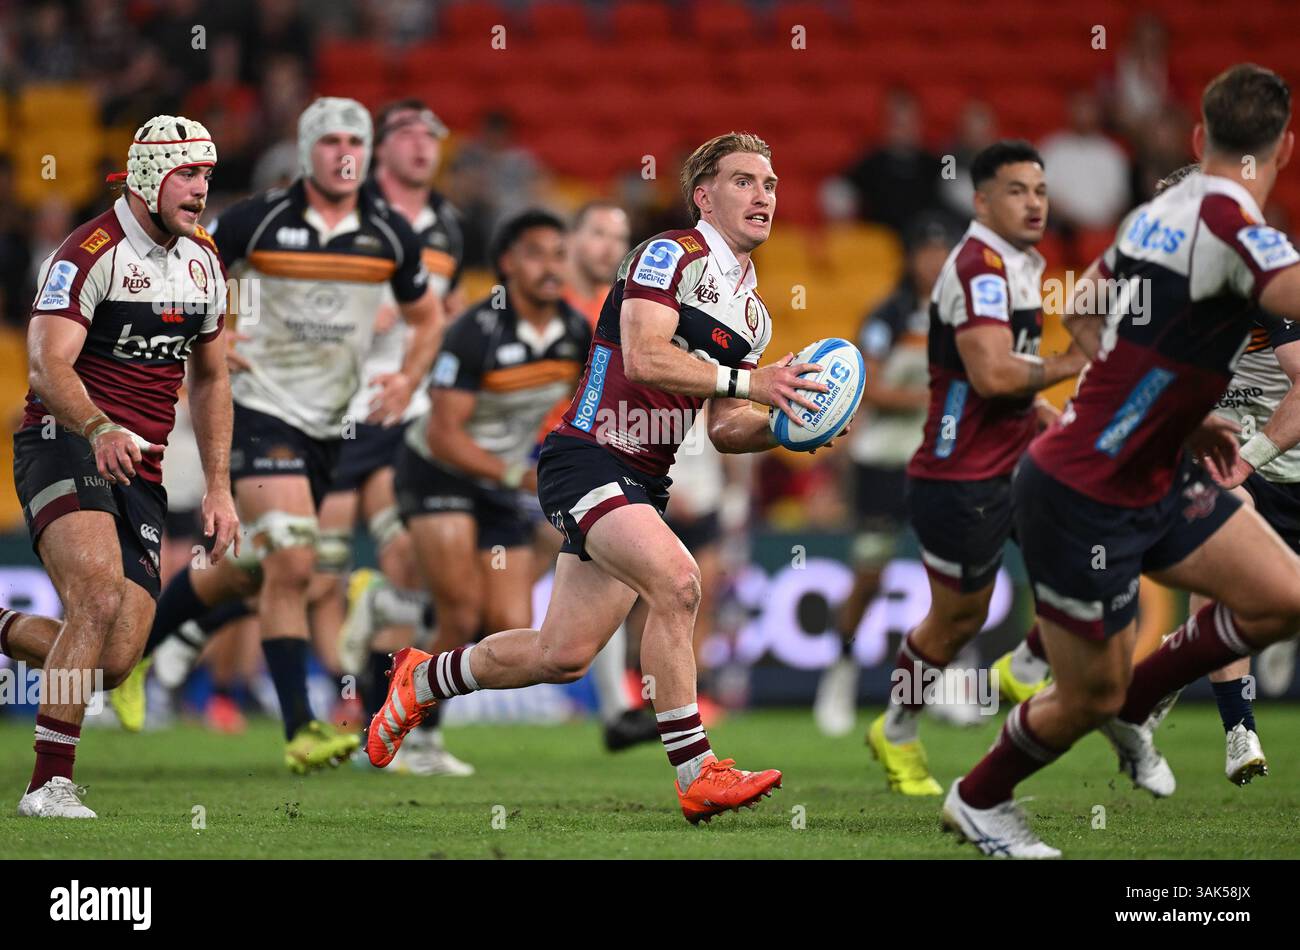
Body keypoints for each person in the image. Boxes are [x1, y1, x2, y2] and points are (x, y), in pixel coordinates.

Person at [367, 132, 829, 823]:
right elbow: (643, 357)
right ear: (704, 196)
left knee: (562, 655)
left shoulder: (753, 312)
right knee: (679, 583)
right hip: (586, 457)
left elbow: (727, 427)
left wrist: (793, 425)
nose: (762, 194)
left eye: (769, 183)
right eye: (743, 181)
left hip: (644, 479)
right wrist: (755, 380)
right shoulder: (669, 254)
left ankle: (422, 678)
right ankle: (699, 772)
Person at [942, 64, 1300, 858]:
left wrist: (1174, 412)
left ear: (1201, 137)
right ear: (1287, 145)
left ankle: (1137, 705)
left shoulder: (1155, 213)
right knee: (1086, 693)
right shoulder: (1232, 221)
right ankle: (978, 798)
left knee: (1282, 597)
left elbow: (1085, 311)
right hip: (1081, 488)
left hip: (1157, 468)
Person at [139, 97, 444, 773]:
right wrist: (218, 332)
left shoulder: (389, 232)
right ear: (307, 150)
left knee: (253, 570)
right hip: (258, 411)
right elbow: (181, 263)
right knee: (298, 563)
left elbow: (429, 317)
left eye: (356, 141)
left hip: (330, 427)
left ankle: (135, 653)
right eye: (330, 138)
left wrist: (407, 378)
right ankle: (301, 727)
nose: (344, 152)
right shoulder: (258, 218)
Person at [0, 116, 236, 817]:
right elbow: (46, 365)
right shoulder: (87, 252)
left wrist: (220, 486)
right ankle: (48, 785)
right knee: (96, 598)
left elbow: (213, 380)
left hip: (143, 467)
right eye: (186, 175)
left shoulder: (204, 263)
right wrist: (99, 425)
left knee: (112, 658)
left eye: (205, 176)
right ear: (146, 176)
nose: (199, 190)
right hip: (64, 440)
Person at [866, 141, 1085, 796]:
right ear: (982, 201)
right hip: (958, 478)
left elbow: (1009, 378)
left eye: (1040, 191)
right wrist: (1072, 364)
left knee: (1092, 550)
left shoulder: (1022, 265)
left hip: (1017, 460)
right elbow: (991, 376)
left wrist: (1049, 415)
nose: (1034, 203)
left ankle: (1023, 667)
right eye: (1016, 190)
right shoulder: (977, 270)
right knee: (954, 621)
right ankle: (897, 729)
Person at [388, 209, 591, 774]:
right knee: (460, 610)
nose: (550, 266)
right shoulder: (476, 330)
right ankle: (420, 741)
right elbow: (442, 433)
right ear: (507, 263)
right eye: (535, 253)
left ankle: (394, 616)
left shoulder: (575, 332)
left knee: (507, 623)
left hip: (501, 482)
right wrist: (514, 475)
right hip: (439, 474)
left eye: (558, 253)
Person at [814, 217, 951, 737]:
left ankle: (939, 688)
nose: (935, 264)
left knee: (948, 576)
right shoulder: (887, 316)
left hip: (935, 461)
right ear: (911, 260)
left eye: (944, 254)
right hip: (881, 463)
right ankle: (841, 673)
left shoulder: (958, 317)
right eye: (928, 253)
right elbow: (864, 388)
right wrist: (934, 398)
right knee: (870, 575)